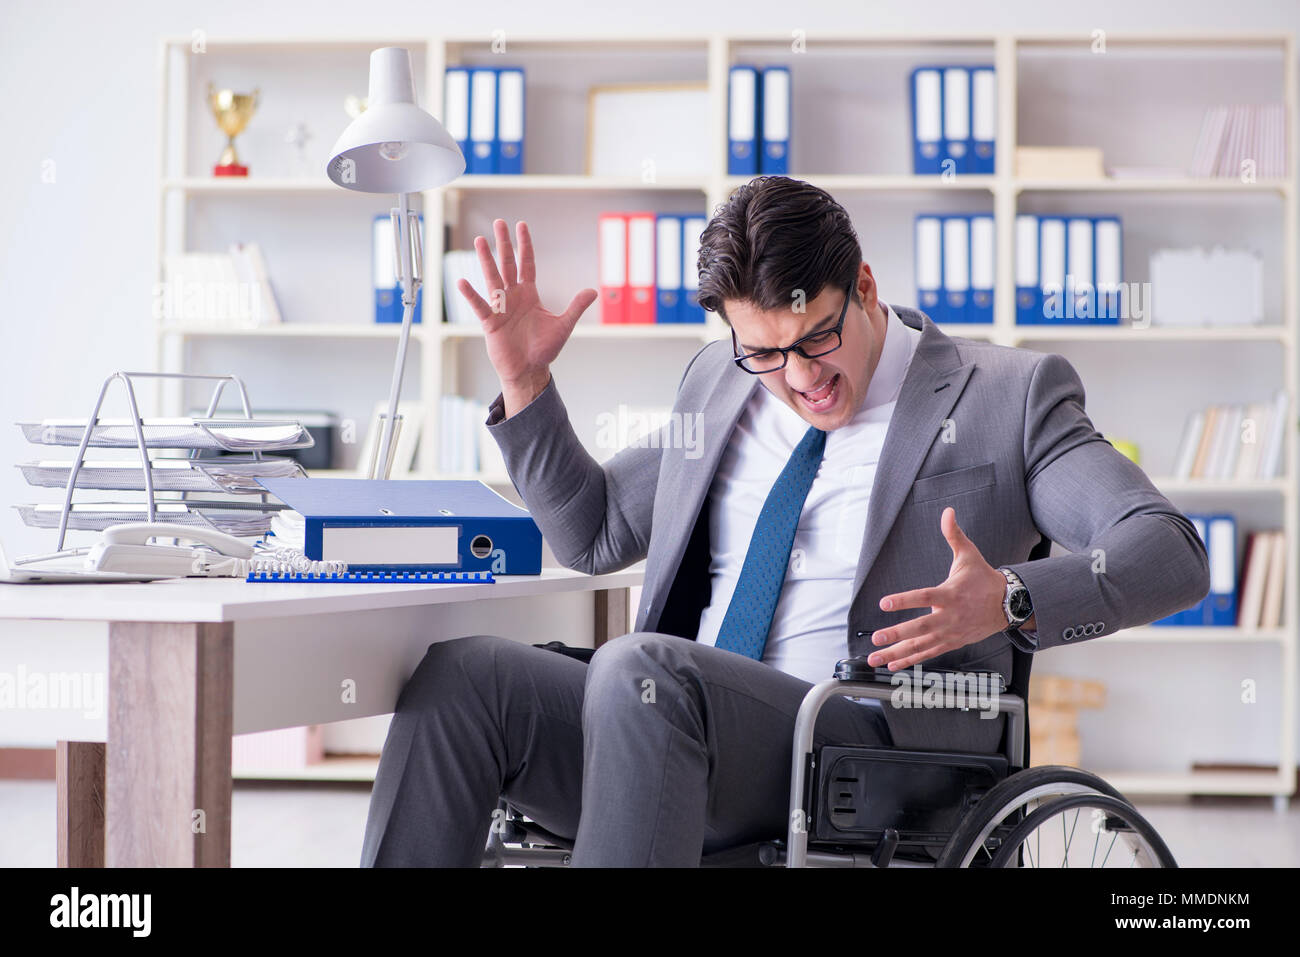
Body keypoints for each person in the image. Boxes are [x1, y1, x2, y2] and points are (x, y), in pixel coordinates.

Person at [360, 175, 1209, 867]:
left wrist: (1011, 598)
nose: (799, 377)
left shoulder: (1005, 398)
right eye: (764, 352)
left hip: (861, 744)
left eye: (816, 340)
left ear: (865, 287)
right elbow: (593, 531)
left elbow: (1168, 550)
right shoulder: (720, 383)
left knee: (642, 672)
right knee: (460, 680)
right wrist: (526, 386)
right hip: (660, 719)